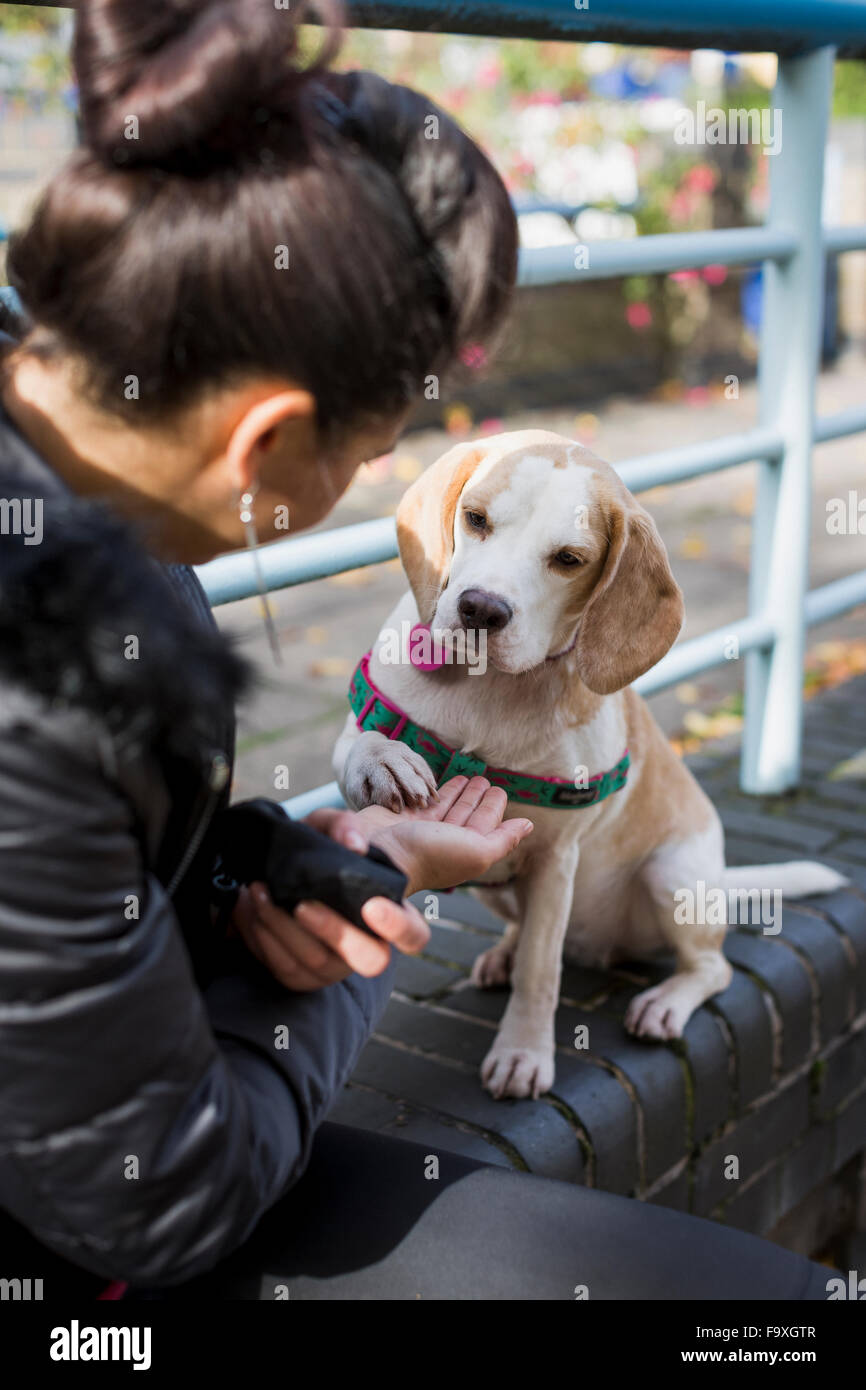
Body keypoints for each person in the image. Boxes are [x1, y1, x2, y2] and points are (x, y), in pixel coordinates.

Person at [0, 0, 832, 1301]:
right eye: (375, 435)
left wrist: (273, 859)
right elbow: (154, 1205)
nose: (384, 473)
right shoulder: (48, 683)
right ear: (264, 440)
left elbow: (80, 887)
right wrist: (361, 934)